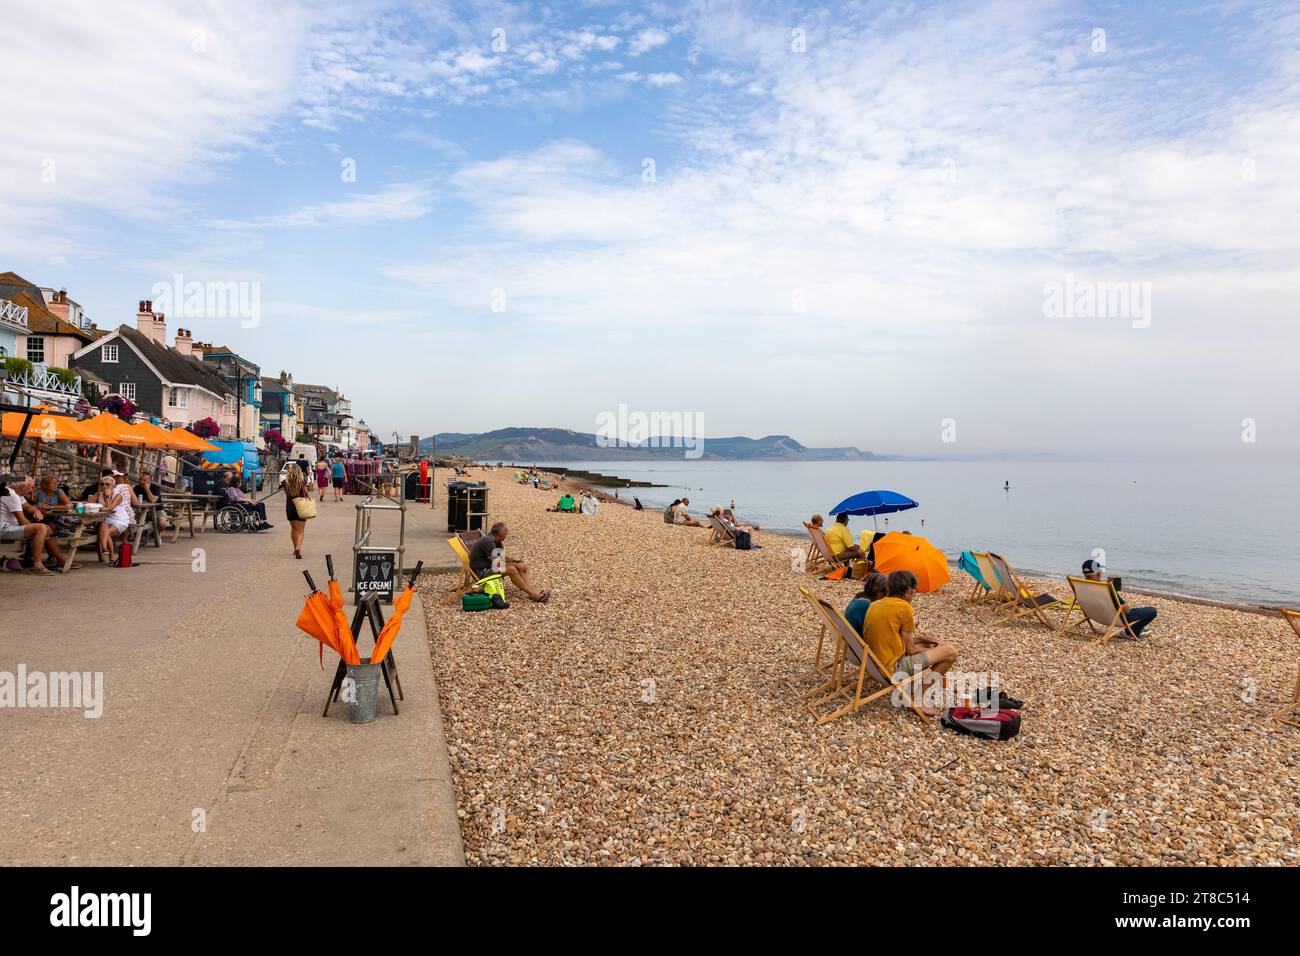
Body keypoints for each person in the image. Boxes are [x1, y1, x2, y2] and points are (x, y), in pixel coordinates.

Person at [863, 570, 957, 716]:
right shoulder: (904, 607)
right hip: (892, 669)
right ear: (908, 589)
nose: (914, 593)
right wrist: (941, 648)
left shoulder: (875, 605)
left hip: (873, 664)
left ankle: (911, 690)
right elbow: (911, 650)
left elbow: (892, 638)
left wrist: (925, 643)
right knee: (950, 652)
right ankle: (917, 699)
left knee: (927, 646)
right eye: (915, 590)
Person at [469, 521, 550, 603]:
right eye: (506, 532)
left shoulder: (496, 540)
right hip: (481, 572)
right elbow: (496, 564)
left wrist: (517, 562)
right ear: (500, 533)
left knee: (520, 567)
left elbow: (503, 556)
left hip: (490, 568)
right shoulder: (488, 541)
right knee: (511, 569)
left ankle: (533, 591)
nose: (507, 534)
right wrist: (515, 565)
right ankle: (533, 594)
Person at [1, 476, 69, 574]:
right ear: (21, 487)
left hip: (9, 526)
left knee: (48, 528)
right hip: (4, 528)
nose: (32, 490)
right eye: (31, 487)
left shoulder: (15, 494)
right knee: (41, 528)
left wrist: (36, 511)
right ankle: (37, 565)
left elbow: (28, 506)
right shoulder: (12, 495)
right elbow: (22, 522)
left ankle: (61, 560)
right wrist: (36, 527)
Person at [1082, 558, 1156, 636]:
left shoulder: (1080, 585)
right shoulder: (1106, 588)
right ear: (1098, 574)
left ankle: (1134, 628)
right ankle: (1132, 631)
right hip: (1114, 618)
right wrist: (1114, 591)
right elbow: (1126, 609)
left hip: (1095, 615)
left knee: (1137, 611)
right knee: (1152, 611)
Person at [90, 474, 136, 563]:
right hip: (106, 520)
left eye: (107, 484)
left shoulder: (118, 495)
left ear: (113, 486)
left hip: (120, 520)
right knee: (103, 525)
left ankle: (106, 551)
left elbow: (110, 507)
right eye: (102, 484)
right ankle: (106, 551)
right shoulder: (98, 494)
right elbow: (89, 505)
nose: (104, 486)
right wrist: (99, 506)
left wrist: (107, 496)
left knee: (104, 533)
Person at [282, 462, 310, 559]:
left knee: (293, 529)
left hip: (290, 507)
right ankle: (298, 547)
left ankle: (295, 548)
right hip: (300, 506)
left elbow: (286, 493)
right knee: (301, 530)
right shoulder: (302, 482)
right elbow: (306, 493)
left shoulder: (285, 483)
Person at [133, 470, 168, 534]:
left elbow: (153, 500)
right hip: (142, 510)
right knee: (132, 521)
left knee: (162, 523)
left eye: (144, 480)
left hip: (157, 510)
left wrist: (147, 489)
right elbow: (133, 500)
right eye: (140, 479)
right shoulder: (136, 488)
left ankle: (156, 534)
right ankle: (140, 534)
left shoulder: (155, 488)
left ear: (150, 481)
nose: (141, 482)